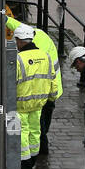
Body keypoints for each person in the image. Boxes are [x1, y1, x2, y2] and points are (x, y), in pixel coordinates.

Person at [5, 13, 61, 154]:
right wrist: (3, 18)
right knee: (36, 128)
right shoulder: (37, 35)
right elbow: (16, 25)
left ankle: (31, 155)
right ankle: (36, 154)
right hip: (45, 95)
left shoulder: (28, 57)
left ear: (20, 41)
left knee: (31, 129)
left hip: (38, 95)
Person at [13, 23, 57, 169]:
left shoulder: (17, 59)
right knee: (35, 133)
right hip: (39, 105)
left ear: (19, 40)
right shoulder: (46, 56)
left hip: (19, 107)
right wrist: (51, 98)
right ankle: (30, 164)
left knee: (19, 135)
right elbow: (53, 82)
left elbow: (11, 83)